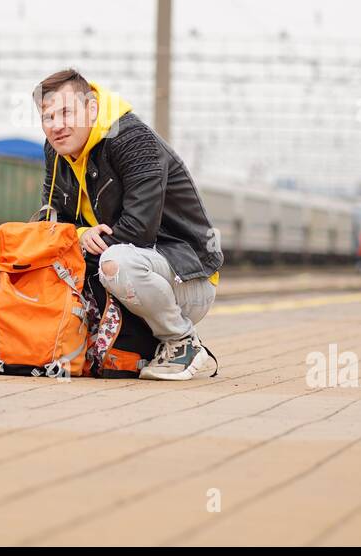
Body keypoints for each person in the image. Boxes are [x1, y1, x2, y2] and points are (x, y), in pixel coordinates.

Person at [33, 68, 223, 380]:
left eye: (66, 112)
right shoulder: (56, 151)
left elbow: (139, 230)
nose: (57, 126)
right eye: (48, 117)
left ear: (91, 109)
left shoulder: (132, 141)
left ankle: (181, 341)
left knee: (114, 262)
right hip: (127, 273)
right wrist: (79, 235)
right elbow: (49, 219)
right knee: (40, 252)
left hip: (186, 276)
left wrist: (78, 248)